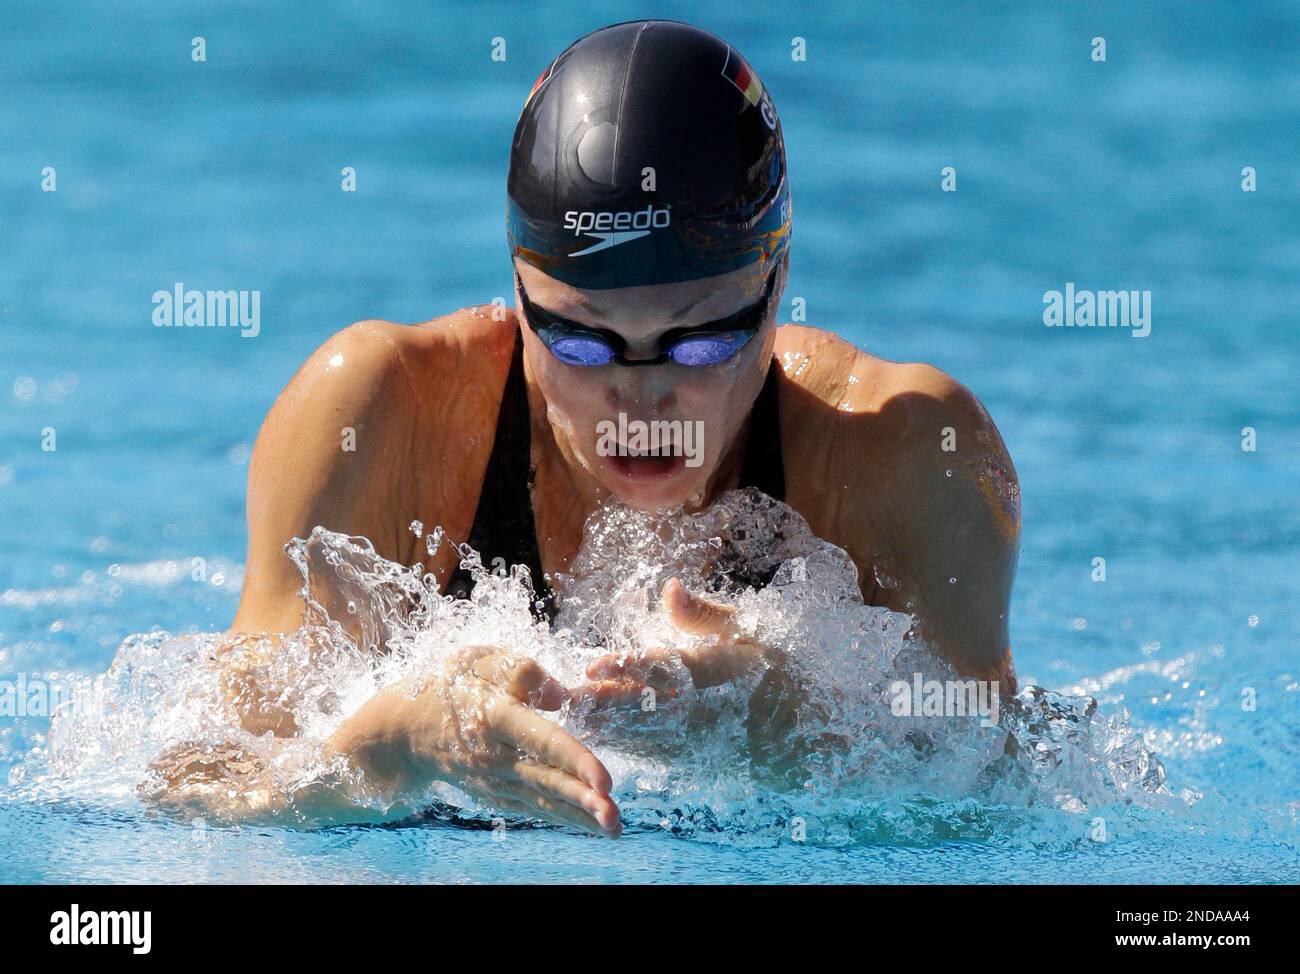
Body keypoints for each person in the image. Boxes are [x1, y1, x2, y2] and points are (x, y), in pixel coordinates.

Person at [169, 20, 1020, 837]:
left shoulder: (907, 452)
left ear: (779, 277)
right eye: (579, 339)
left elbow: (1006, 790)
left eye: (700, 341)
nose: (640, 399)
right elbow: (189, 780)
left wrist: (792, 722)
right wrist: (391, 748)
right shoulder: (382, 416)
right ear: (517, 286)